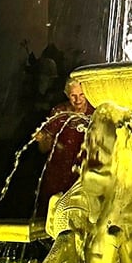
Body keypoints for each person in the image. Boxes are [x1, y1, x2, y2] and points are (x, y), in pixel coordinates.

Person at [34, 78, 93, 215]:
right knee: (51, 213)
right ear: (67, 94)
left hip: (84, 175)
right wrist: (42, 139)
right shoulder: (59, 112)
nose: (78, 100)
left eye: (81, 95)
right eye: (73, 95)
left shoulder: (95, 113)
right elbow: (44, 148)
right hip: (57, 175)